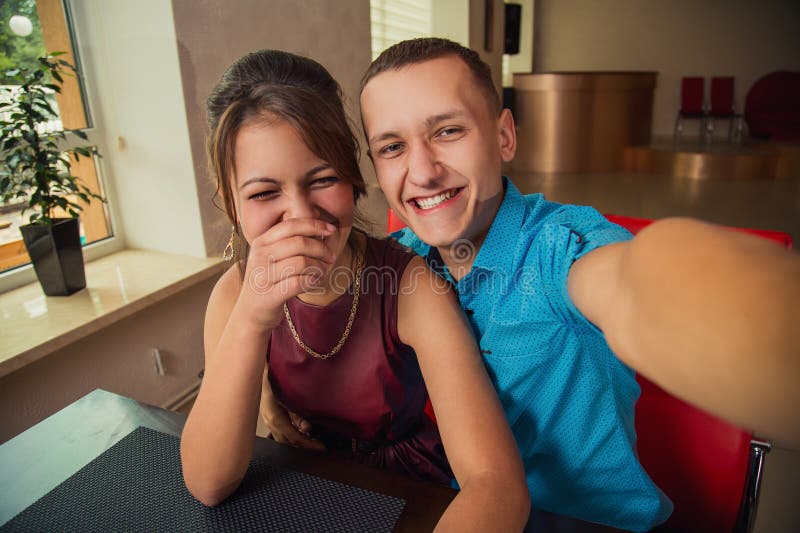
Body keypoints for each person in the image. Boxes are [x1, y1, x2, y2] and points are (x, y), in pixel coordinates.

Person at [355, 37, 800, 531]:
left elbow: (632, 283)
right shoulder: (406, 261)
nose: (422, 171)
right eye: (393, 147)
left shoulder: (559, 248)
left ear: (504, 136)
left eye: (448, 130)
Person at [179, 49, 530, 531]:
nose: (301, 216)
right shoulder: (233, 295)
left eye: (322, 180)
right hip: (299, 493)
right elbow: (208, 482)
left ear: (352, 174)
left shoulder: (409, 287)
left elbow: (495, 482)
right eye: (263, 193)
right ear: (230, 199)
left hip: (406, 495)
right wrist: (252, 318)